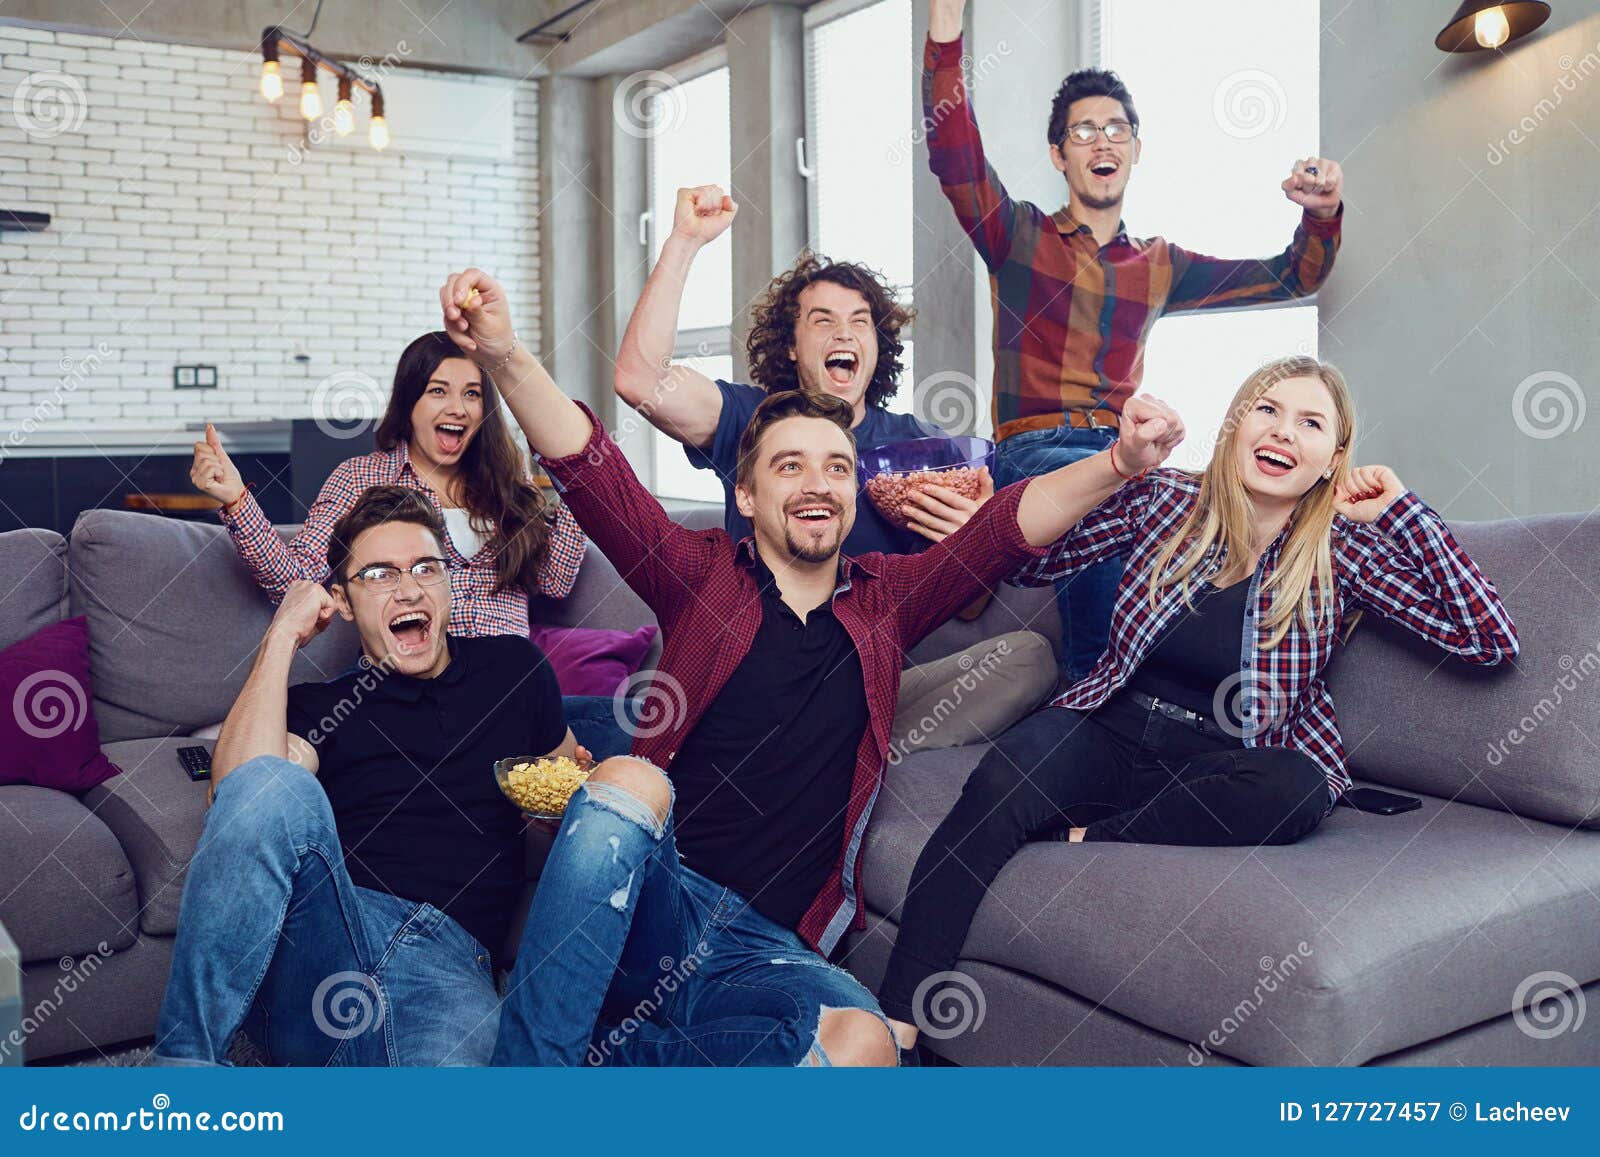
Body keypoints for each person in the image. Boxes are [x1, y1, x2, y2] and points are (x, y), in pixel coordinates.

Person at [432, 266, 1184, 1067]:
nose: (817, 481)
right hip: (658, 900)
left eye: (834, 465)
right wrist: (506, 355)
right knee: (629, 783)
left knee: (866, 1048)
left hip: (765, 949)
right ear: (747, 495)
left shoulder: (886, 601)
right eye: (789, 465)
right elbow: (591, 467)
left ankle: (618, 1061)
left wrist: (1121, 461)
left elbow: (1002, 529)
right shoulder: (699, 574)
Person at [875, 356, 1519, 1044]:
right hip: (1112, 726)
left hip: (1226, 759)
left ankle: (1095, 836)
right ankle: (898, 1028)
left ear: (1333, 458)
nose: (1282, 432)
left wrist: (1404, 511)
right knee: (1001, 778)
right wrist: (1001, 514)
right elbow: (1038, 562)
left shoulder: (1344, 548)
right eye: (1267, 410)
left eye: (1310, 423)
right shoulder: (1166, 500)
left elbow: (1487, 640)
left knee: (1297, 787)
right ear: (1236, 424)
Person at [924, 0, 1346, 684]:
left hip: (1128, 450)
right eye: (1084, 130)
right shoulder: (1018, 234)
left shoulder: (1158, 263)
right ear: (1060, 153)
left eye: (1117, 128)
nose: (1103, 141)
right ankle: (1093, 691)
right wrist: (945, 26)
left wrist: (1321, 212)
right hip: (1036, 450)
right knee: (1119, 494)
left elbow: (1289, 277)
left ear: (1136, 150)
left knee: (1214, 498)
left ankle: (1237, 694)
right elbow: (955, 157)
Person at [150, 486, 587, 1066]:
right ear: (344, 602)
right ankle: (185, 1064)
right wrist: (281, 638)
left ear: (448, 583)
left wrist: (571, 807)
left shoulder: (515, 669)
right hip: (329, 934)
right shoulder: (318, 704)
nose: (409, 588)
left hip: (447, 963)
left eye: (426, 568)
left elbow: (569, 785)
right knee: (274, 781)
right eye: (379, 574)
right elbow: (240, 790)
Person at [615, 184, 1057, 752]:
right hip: (756, 672)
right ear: (793, 345)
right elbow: (639, 379)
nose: (843, 333)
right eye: (821, 321)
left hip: (864, 688)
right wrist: (684, 241)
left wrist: (972, 543)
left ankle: (849, 752)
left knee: (1030, 656)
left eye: (860, 321)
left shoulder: (926, 450)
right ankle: (826, 754)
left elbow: (968, 607)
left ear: (878, 344)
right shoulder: (754, 417)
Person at [189, 334, 631, 757]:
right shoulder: (361, 477)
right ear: (410, 403)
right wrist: (237, 500)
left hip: (506, 691)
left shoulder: (509, 487)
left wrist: (579, 478)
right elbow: (296, 580)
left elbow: (555, 582)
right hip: (410, 687)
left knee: (639, 727)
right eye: (438, 391)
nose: (457, 407)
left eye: (472, 394)